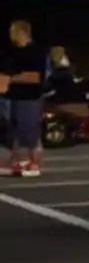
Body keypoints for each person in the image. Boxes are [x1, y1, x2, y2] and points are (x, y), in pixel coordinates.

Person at [1, 20, 48, 177]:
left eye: (13, 31)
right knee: (14, 132)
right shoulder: (13, 52)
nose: (11, 35)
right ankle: (17, 163)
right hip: (12, 97)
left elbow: (34, 77)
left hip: (29, 97)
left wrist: (10, 79)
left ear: (22, 32)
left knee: (29, 133)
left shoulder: (36, 52)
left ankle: (33, 165)